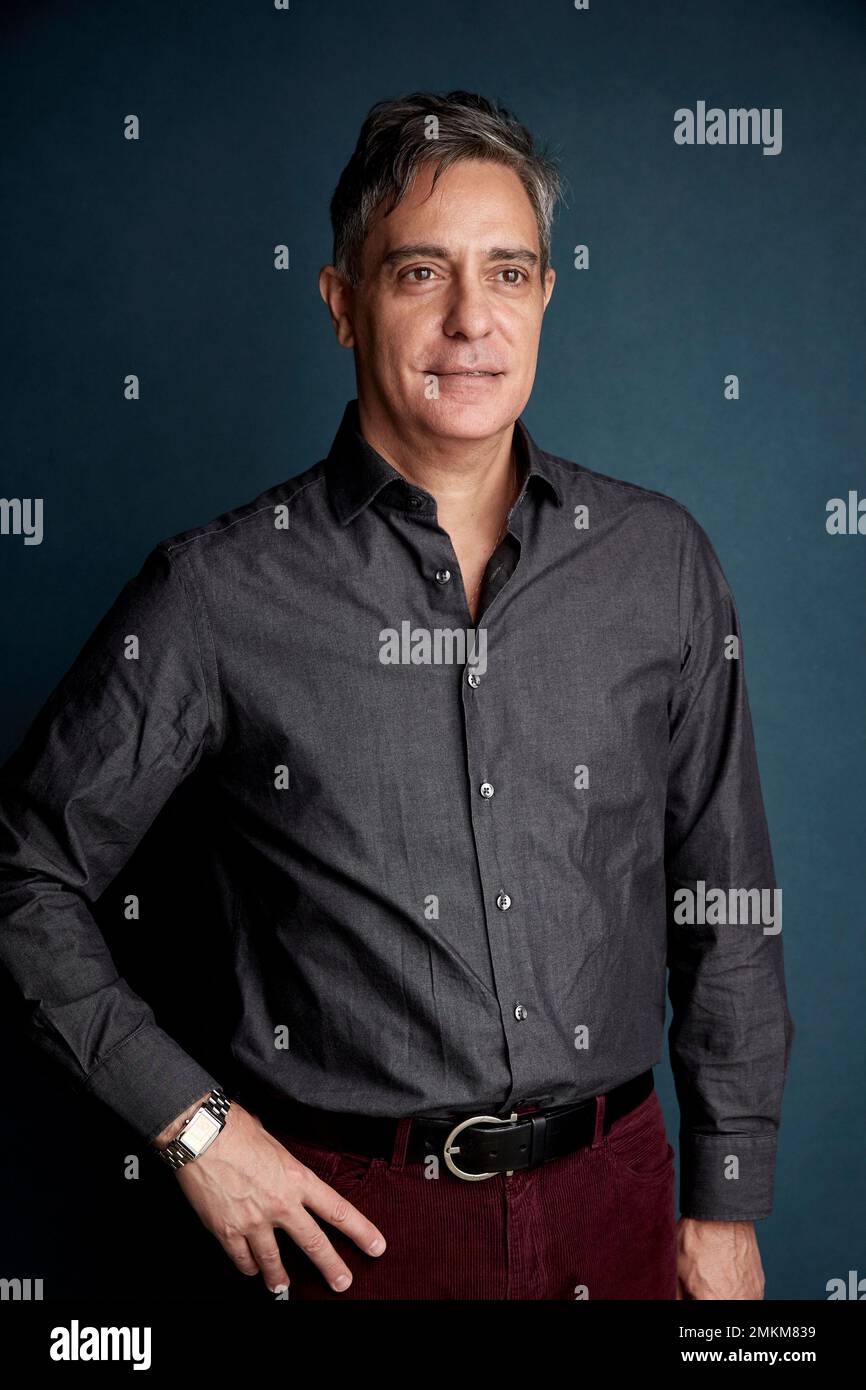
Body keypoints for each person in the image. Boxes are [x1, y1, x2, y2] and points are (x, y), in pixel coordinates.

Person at [0, 90, 794, 1301]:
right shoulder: (217, 590)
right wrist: (193, 1129)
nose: (471, 320)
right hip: (347, 1237)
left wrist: (724, 1198)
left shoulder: (657, 560)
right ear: (340, 304)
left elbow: (723, 894)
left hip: (618, 1209)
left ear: (544, 298)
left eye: (508, 273)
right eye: (420, 272)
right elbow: (23, 875)